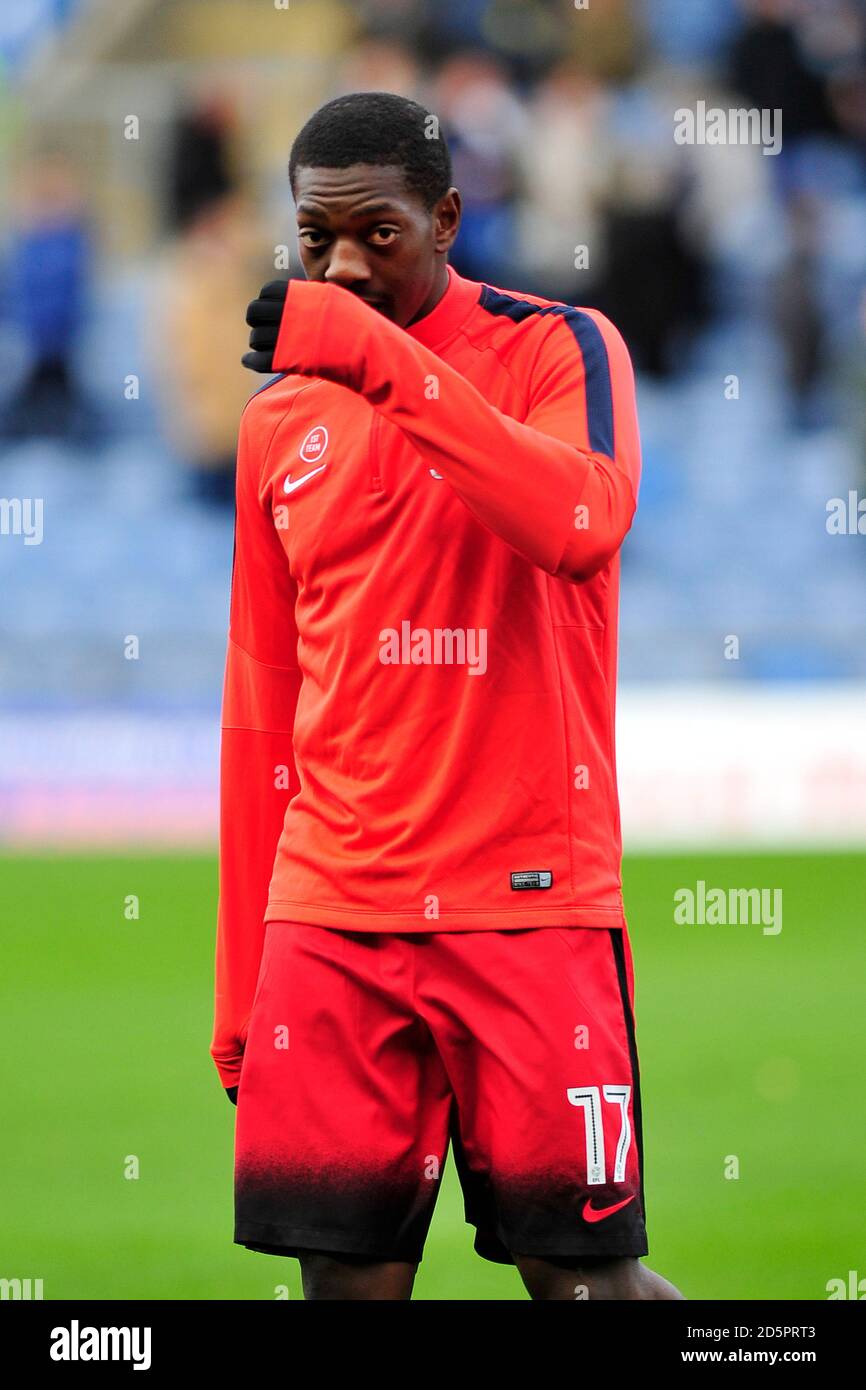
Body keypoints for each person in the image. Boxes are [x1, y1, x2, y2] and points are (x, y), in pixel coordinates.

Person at [211, 90, 684, 1302]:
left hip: (526, 905)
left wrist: (376, 359)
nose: (342, 266)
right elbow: (264, 706)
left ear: (448, 218)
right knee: (344, 1285)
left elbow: (576, 522)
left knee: (584, 1284)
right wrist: (241, 982)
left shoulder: (558, 347)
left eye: (379, 232)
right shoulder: (276, 425)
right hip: (332, 912)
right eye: (316, 239)